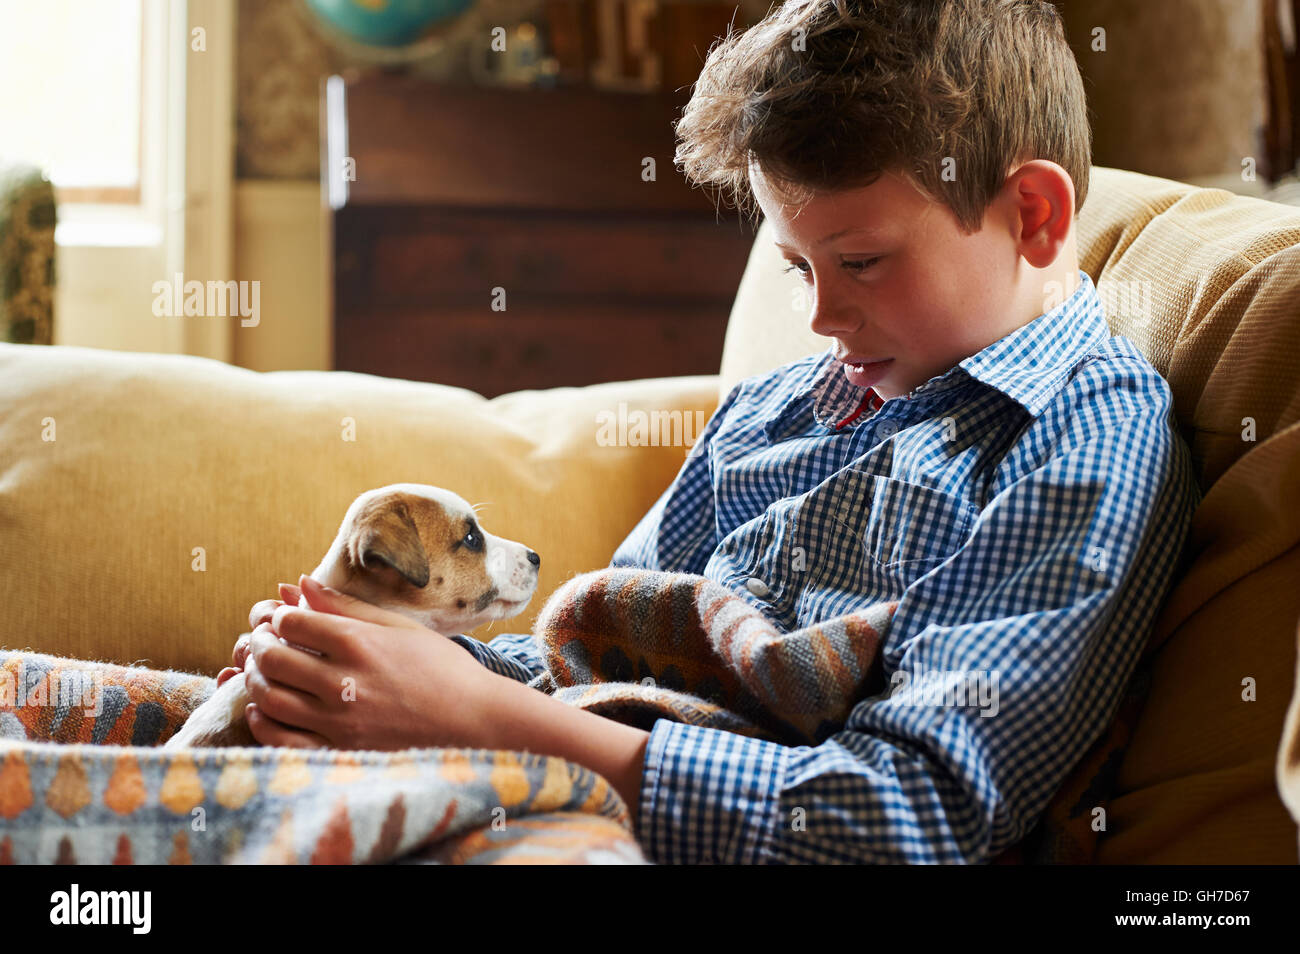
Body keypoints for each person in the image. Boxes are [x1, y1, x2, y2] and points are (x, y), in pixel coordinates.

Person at [229, 0, 1199, 863]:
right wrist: (379, 655)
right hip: (519, 757)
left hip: (612, 822)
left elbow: (911, 819)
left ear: (1032, 214)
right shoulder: (772, 412)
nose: (819, 317)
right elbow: (587, 658)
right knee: (156, 721)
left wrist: (477, 716)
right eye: (796, 267)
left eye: (860, 261)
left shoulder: (1085, 442)